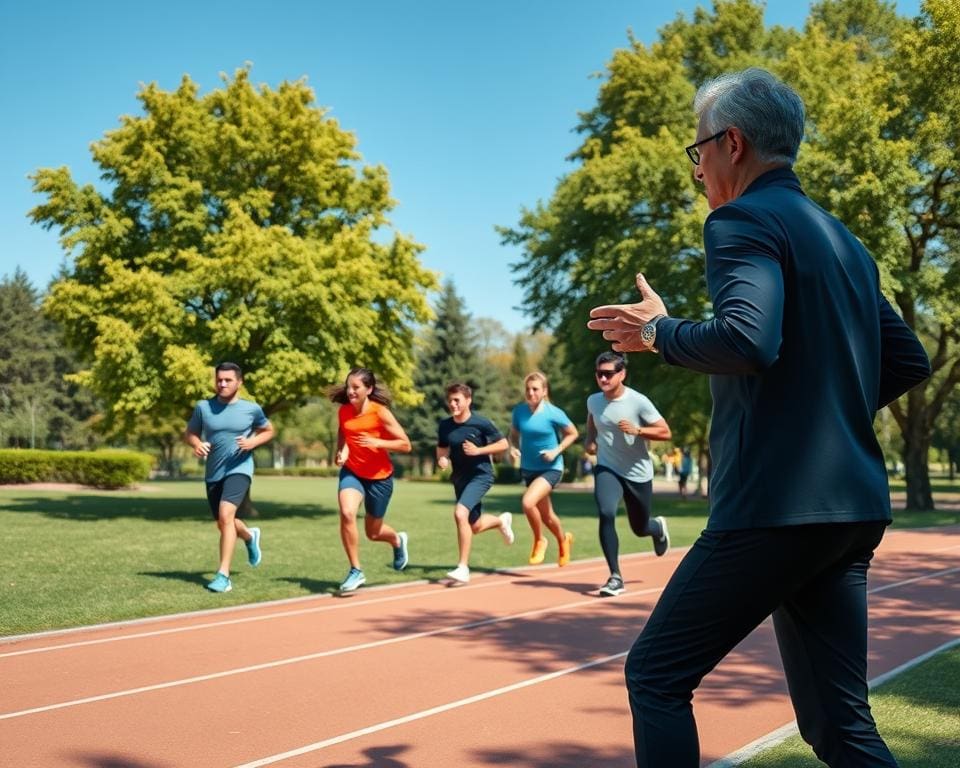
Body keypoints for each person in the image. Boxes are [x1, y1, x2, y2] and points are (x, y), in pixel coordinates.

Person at [587, 68, 931, 767]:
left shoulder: (740, 219)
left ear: (733, 144)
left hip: (773, 507)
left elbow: (747, 339)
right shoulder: (844, 241)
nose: (698, 170)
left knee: (656, 675)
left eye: (699, 151)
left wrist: (657, 332)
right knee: (839, 725)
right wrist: (823, 407)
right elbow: (906, 361)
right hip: (851, 507)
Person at [585, 351, 672, 597]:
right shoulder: (593, 401)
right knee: (606, 513)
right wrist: (589, 441)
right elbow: (592, 423)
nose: (603, 379)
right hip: (607, 467)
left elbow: (665, 432)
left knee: (639, 528)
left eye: (608, 374)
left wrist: (638, 430)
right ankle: (615, 576)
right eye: (599, 374)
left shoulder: (638, 401)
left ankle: (656, 528)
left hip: (637, 473)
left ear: (622, 374)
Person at [185, 362, 275, 593]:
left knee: (226, 515)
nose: (222, 384)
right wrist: (197, 444)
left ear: (239, 382)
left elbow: (268, 430)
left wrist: (253, 442)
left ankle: (223, 576)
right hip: (214, 473)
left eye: (228, 380)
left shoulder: (251, 409)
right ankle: (248, 535)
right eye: (219, 380)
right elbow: (191, 433)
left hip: (240, 468)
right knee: (223, 522)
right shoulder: (203, 407)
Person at [329, 367, 412, 593]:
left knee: (373, 533)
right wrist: (342, 450)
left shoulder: (380, 412)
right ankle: (356, 570)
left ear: (369, 389)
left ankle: (397, 540)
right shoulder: (344, 411)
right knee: (347, 513)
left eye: (356, 387)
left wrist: (378, 443)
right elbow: (343, 431)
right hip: (352, 472)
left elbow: (405, 444)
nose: (350, 391)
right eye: (348, 387)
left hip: (379, 478)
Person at [437, 382, 513, 583]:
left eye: (457, 400)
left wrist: (479, 451)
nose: (453, 404)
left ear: (468, 400)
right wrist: (442, 459)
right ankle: (501, 522)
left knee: (460, 513)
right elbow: (442, 447)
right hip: (460, 478)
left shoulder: (481, 423)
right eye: (450, 400)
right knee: (475, 526)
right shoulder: (445, 425)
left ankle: (463, 568)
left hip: (481, 475)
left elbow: (503, 443)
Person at [509, 371, 579, 566]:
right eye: (528, 389)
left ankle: (540, 540)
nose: (531, 393)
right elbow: (513, 435)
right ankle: (563, 540)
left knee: (527, 502)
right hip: (529, 469)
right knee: (547, 516)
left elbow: (573, 433)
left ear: (544, 391)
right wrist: (513, 447)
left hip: (551, 468)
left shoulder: (553, 412)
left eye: (535, 389)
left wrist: (556, 451)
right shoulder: (519, 412)